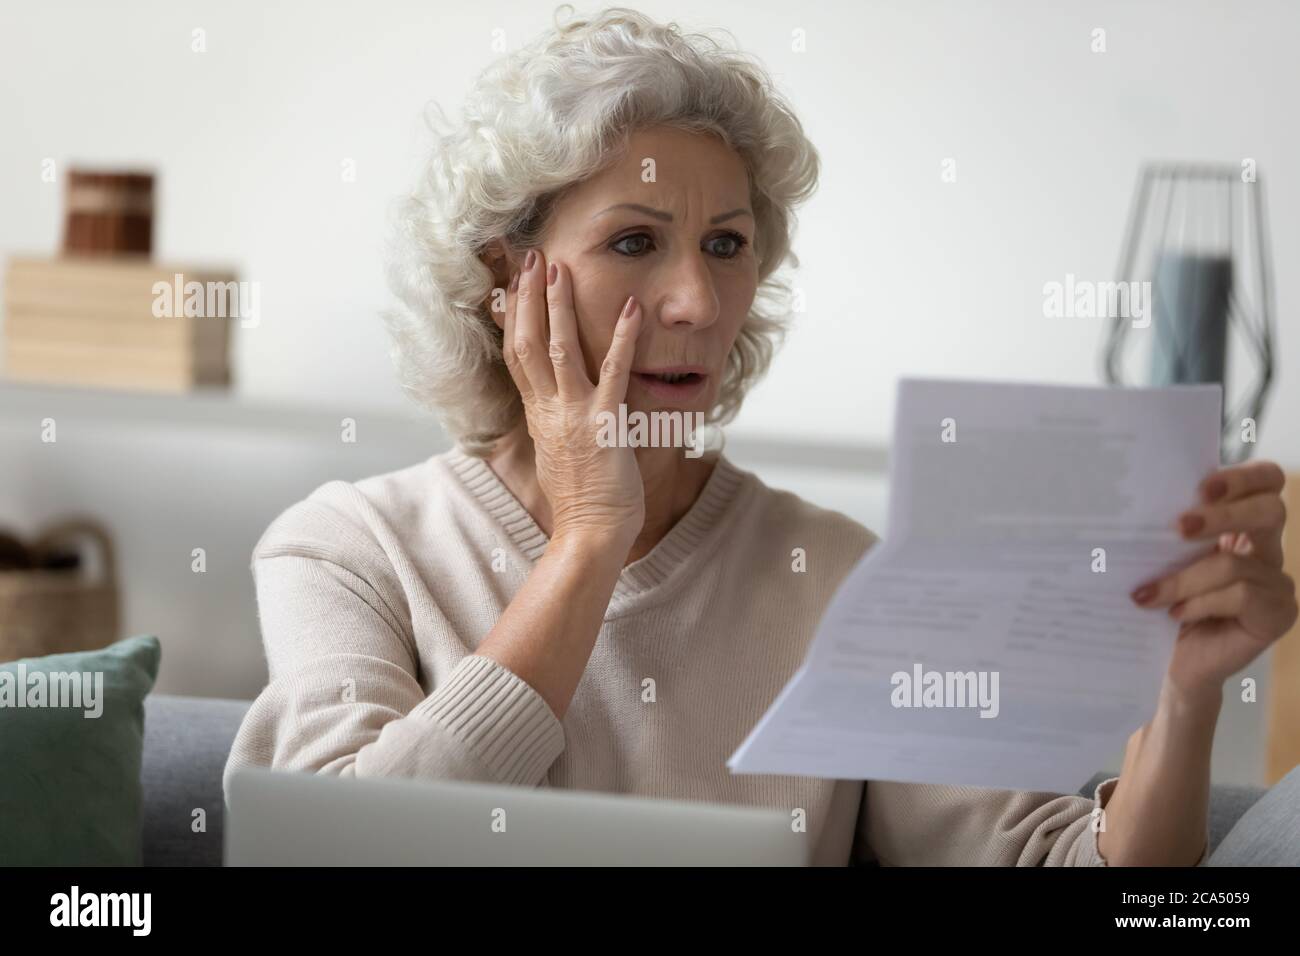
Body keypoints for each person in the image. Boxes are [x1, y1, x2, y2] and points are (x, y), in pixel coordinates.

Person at [223, 6, 1297, 865]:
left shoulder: (833, 576)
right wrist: (591, 539)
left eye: (726, 244)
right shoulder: (348, 547)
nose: (695, 297)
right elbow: (331, 847)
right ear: (509, 279)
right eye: (635, 240)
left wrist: (1183, 691)